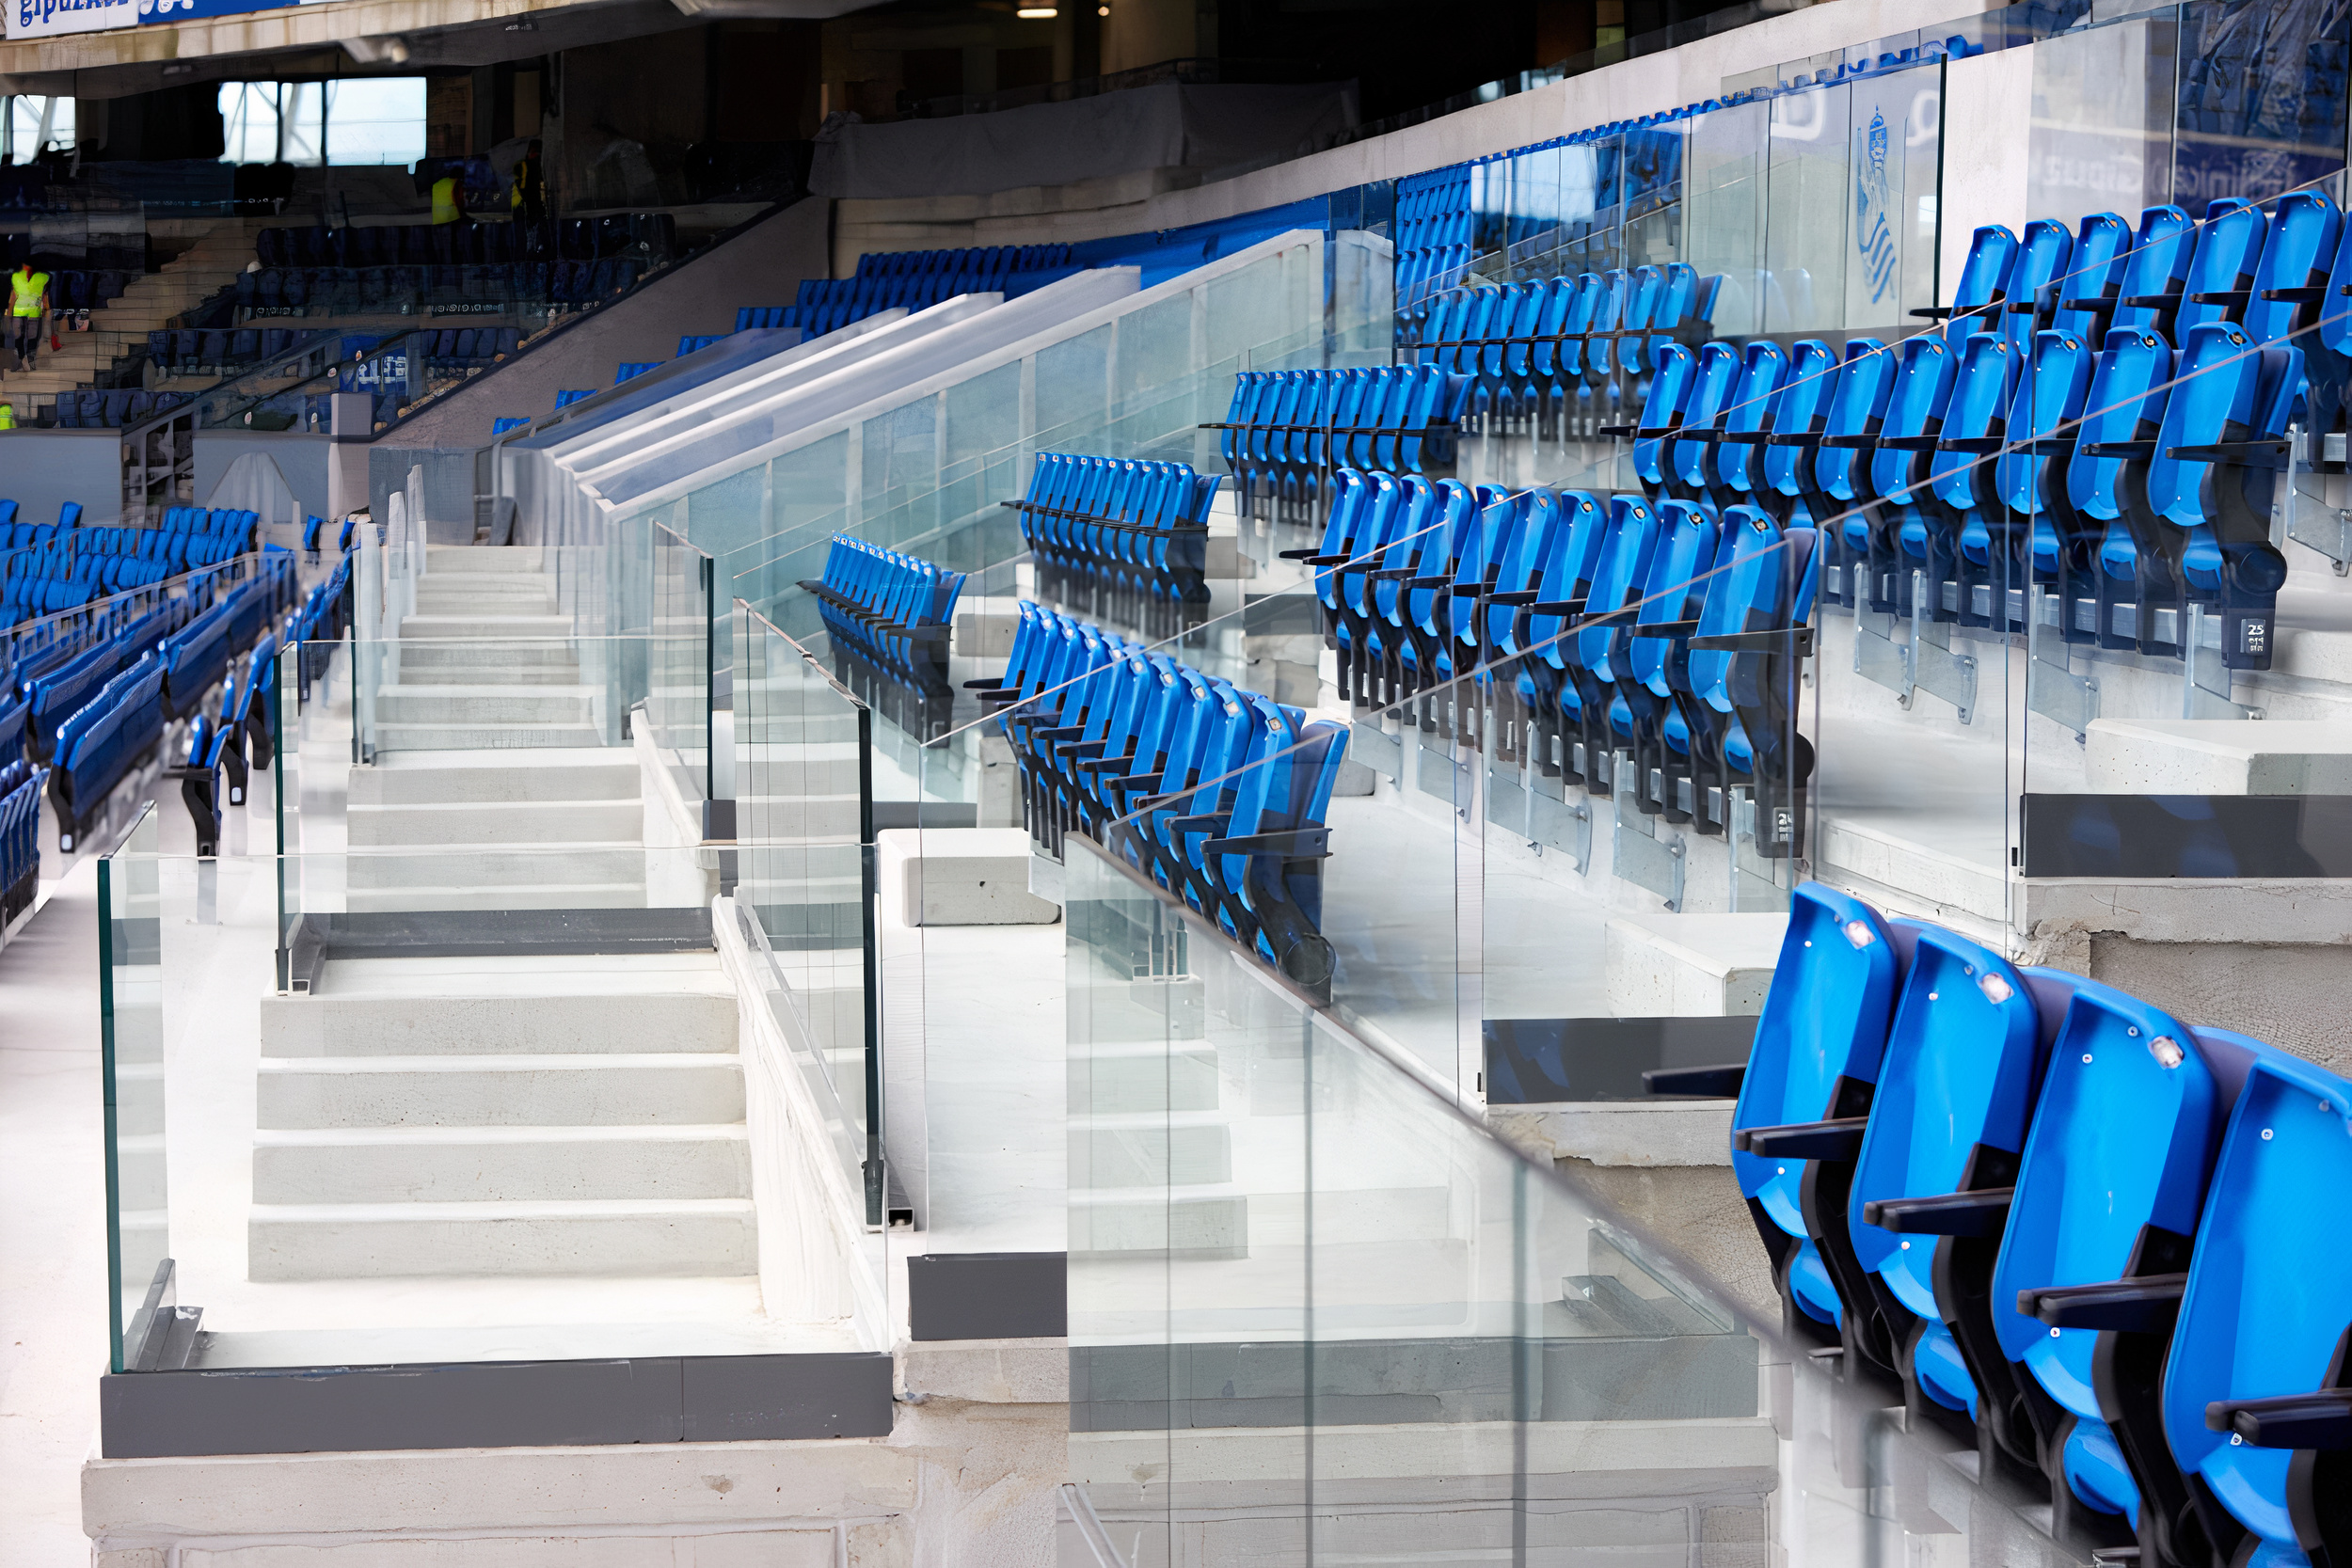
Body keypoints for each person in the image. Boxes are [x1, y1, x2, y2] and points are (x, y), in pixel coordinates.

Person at [8, 260, 49, 372]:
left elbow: (44, 295)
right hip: (21, 312)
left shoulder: (43, 277)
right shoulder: (17, 276)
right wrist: (9, 311)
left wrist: (46, 309)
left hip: (32, 313)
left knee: (30, 339)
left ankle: (28, 361)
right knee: (21, 338)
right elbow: (14, 294)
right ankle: (22, 361)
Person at [511, 140, 546, 226]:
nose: (537, 155)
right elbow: (525, 187)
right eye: (535, 152)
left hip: (529, 205)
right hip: (522, 205)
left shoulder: (535, 166)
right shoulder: (524, 166)